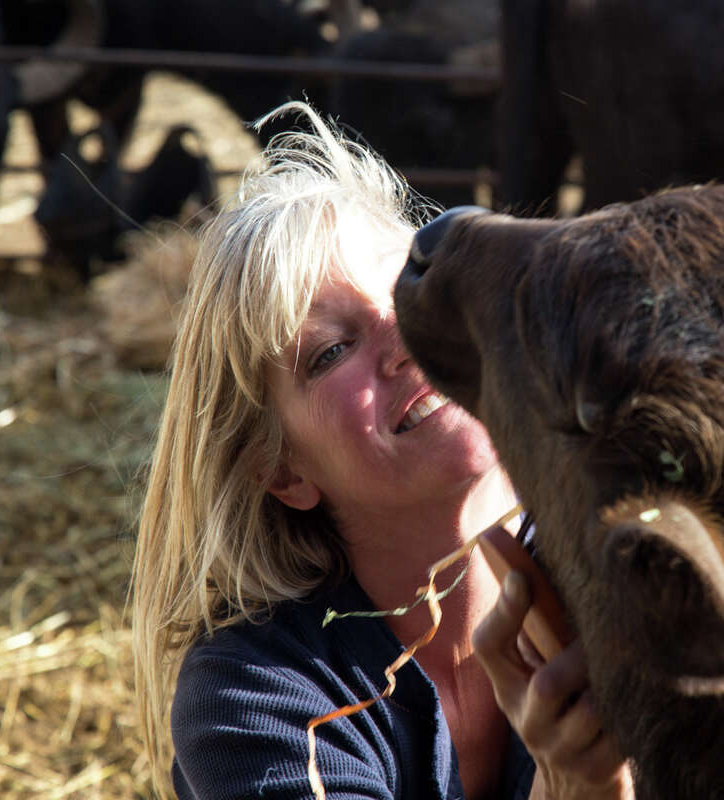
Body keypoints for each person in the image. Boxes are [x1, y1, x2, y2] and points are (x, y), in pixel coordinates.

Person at [130, 101, 634, 800]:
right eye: (332, 351)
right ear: (280, 470)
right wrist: (580, 788)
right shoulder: (255, 696)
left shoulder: (631, 585)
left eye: (411, 296)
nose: (404, 345)